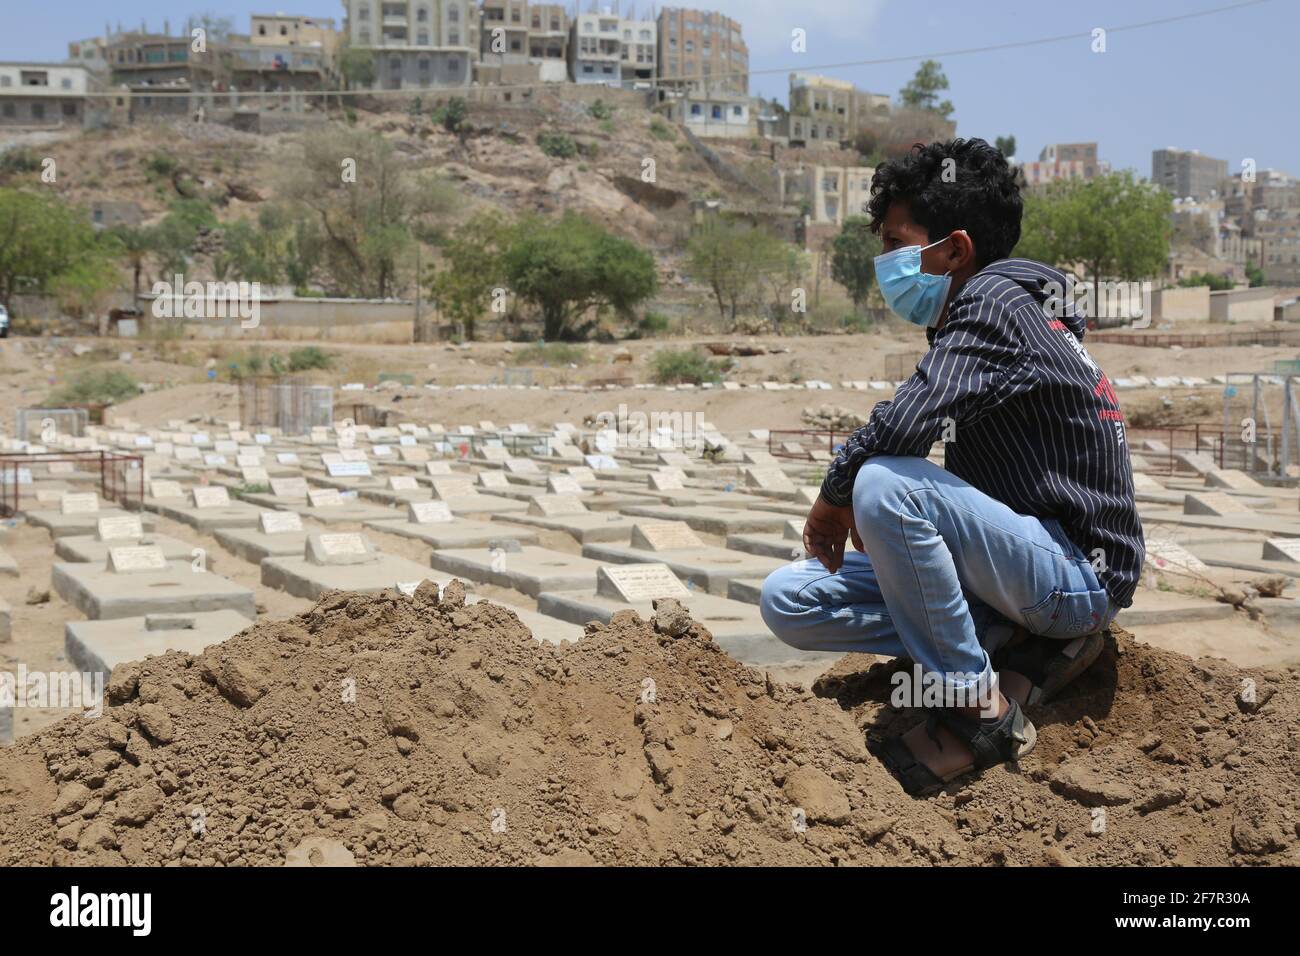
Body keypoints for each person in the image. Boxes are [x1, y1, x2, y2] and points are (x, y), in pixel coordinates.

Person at [759, 138, 1144, 796]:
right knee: (789, 599)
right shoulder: (1004, 311)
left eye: (897, 246)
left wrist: (834, 495)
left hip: (1077, 574)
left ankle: (980, 713)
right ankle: (1019, 645)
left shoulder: (996, 303)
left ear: (956, 250)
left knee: (884, 485)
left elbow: (906, 420)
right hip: (1022, 572)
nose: (886, 266)